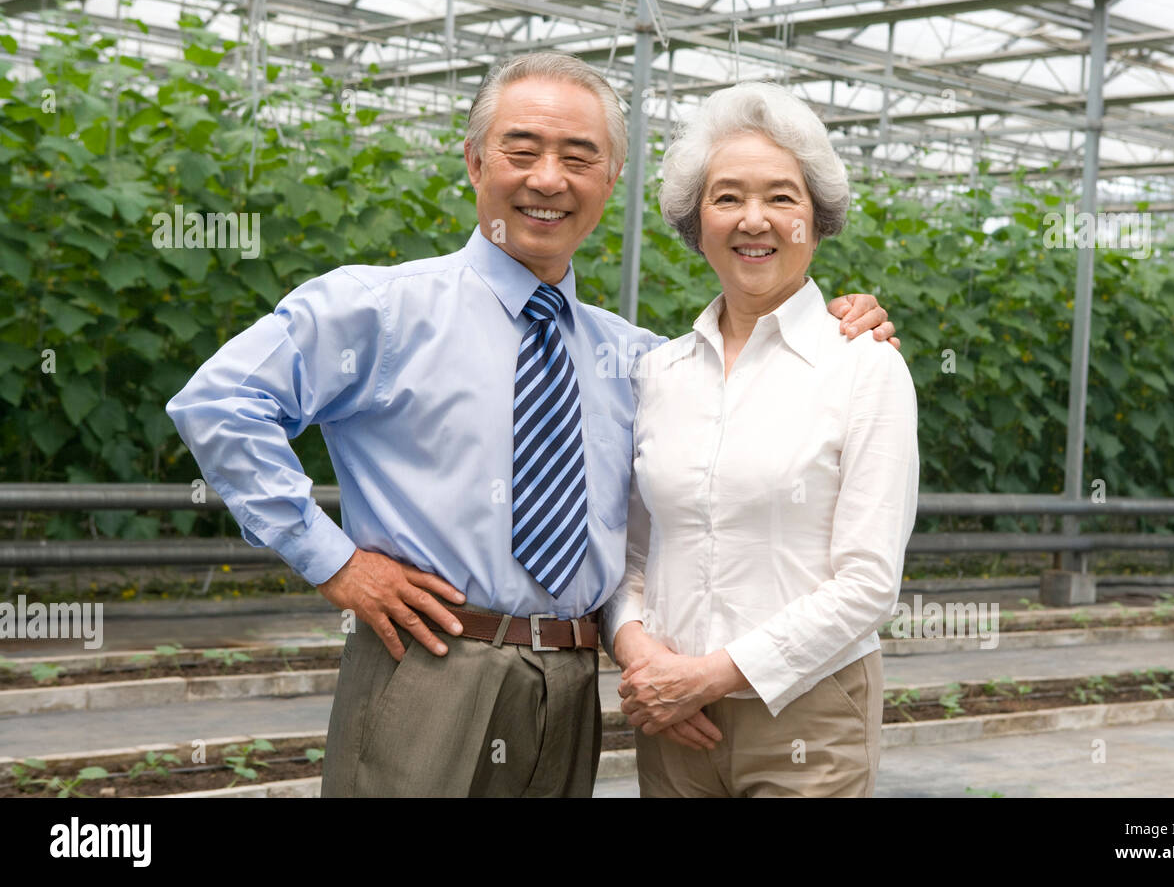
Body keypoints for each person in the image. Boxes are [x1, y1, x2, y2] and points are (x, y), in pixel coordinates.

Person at [165, 53, 899, 798]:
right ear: (475, 161)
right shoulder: (381, 311)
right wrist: (334, 561)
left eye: (580, 158)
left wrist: (837, 320)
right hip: (428, 664)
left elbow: (646, 528)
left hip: (569, 683)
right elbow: (220, 403)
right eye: (522, 151)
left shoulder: (639, 360)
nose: (549, 179)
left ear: (611, 182)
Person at [605, 81, 919, 797]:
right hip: (673, 718)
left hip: (808, 710)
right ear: (696, 222)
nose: (755, 220)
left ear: (817, 219)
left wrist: (710, 674)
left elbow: (870, 582)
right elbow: (633, 554)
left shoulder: (864, 368)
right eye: (727, 198)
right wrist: (641, 656)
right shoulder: (658, 373)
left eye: (782, 198)